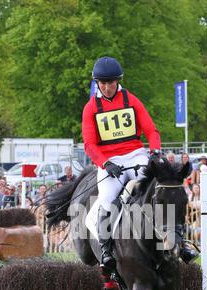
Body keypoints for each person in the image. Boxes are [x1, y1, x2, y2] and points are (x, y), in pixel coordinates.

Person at [82, 56, 197, 272]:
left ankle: (180, 245)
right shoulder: (90, 108)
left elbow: (151, 130)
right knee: (107, 200)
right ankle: (106, 252)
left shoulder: (131, 100)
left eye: (111, 83)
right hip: (110, 161)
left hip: (135, 155)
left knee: (160, 191)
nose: (107, 88)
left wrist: (154, 153)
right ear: (97, 83)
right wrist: (106, 163)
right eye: (103, 83)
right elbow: (89, 144)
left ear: (118, 81)